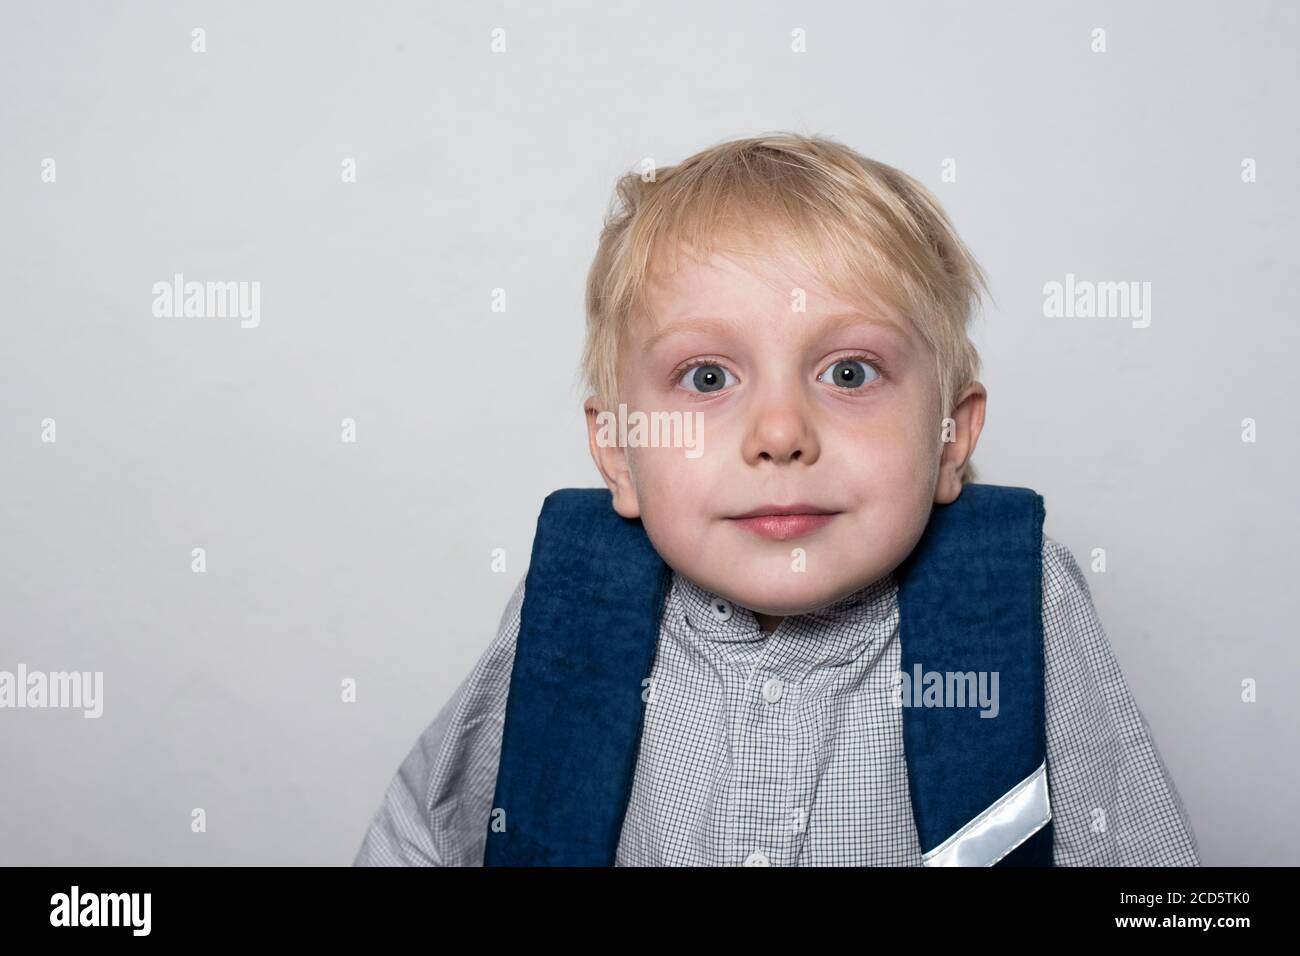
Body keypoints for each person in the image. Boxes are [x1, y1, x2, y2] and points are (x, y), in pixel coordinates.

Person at [353, 133, 1200, 866]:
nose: (782, 433)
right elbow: (418, 836)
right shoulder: (574, 603)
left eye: (849, 372)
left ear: (950, 436)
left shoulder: (1017, 599)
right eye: (709, 377)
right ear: (618, 452)